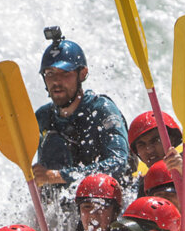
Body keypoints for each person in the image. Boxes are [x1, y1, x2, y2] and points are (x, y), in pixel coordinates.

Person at [32, 28, 133, 189]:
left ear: (82, 74)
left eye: (65, 73)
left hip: (104, 201)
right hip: (62, 206)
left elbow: (118, 162)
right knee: (52, 143)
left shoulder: (101, 109)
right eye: (50, 73)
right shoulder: (42, 117)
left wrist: (58, 176)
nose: (56, 81)